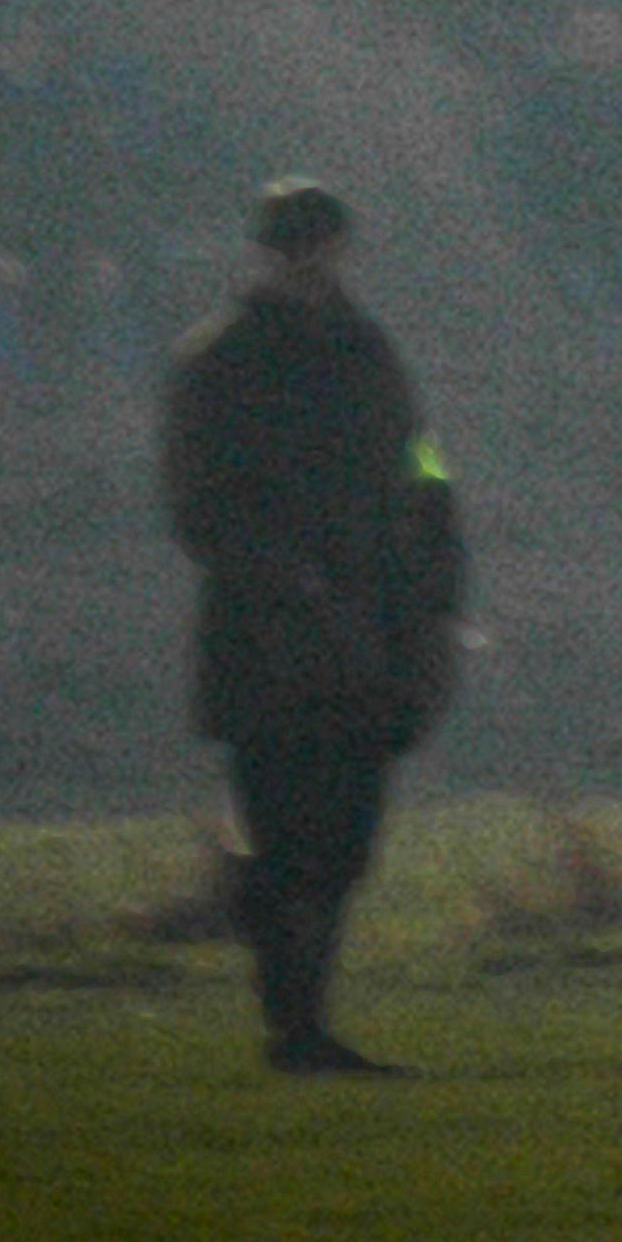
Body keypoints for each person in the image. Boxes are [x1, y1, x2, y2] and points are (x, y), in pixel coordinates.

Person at [161, 180, 464, 1077]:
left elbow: (422, 459)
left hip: (373, 630)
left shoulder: (371, 352)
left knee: (346, 847)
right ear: (263, 254)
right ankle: (295, 1027)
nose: (310, 264)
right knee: (288, 840)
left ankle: (303, 1023)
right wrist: (288, 583)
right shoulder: (219, 362)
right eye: (293, 248)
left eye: (322, 246)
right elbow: (199, 507)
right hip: (268, 645)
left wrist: (438, 576)